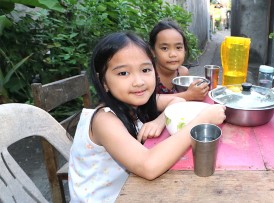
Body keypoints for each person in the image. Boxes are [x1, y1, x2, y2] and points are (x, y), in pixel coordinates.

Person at [68, 32, 226, 202]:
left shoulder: (136, 101)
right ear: (104, 82)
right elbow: (149, 166)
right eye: (123, 73)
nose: (139, 81)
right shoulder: (104, 120)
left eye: (145, 70)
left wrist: (159, 121)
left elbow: (176, 100)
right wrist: (203, 120)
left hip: (129, 188)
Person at [149, 20, 209, 101]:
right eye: (164, 48)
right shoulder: (149, 75)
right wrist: (188, 95)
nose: (173, 54)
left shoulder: (183, 72)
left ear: (185, 49)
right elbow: (149, 103)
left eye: (178, 47)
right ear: (153, 51)